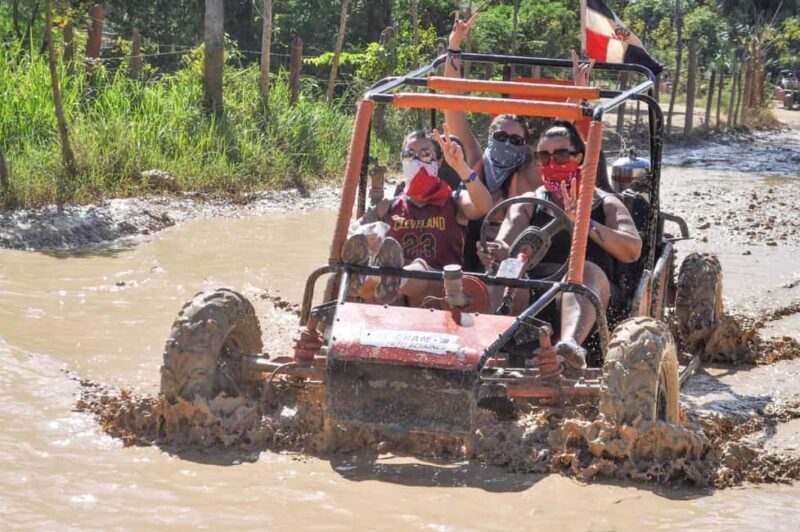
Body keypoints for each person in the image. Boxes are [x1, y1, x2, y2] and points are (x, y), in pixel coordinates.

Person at [480, 121, 642, 369]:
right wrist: (497, 252)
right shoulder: (530, 202)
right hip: (537, 294)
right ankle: (485, 350)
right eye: (543, 157)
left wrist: (585, 224)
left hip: (594, 297)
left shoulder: (605, 202)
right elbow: (507, 238)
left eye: (561, 155)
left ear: (579, 158)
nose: (552, 163)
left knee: (583, 270)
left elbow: (632, 250)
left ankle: (568, 347)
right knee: (506, 270)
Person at [443, 11, 595, 272]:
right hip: (465, 255)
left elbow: (562, 131)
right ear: (490, 136)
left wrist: (577, 91)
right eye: (500, 137)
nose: (506, 145)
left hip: (511, 260)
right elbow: (452, 106)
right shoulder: (475, 160)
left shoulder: (527, 174)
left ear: (525, 146)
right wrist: (454, 47)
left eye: (515, 140)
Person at [343, 125, 493, 307]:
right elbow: (351, 236)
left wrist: (461, 167)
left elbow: (484, 206)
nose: (416, 160)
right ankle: (376, 279)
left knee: (419, 266)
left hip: (439, 289)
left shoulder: (454, 201)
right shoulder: (390, 205)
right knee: (377, 281)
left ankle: (388, 276)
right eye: (409, 154)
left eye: (424, 154)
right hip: (392, 297)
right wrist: (368, 237)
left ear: (438, 162)